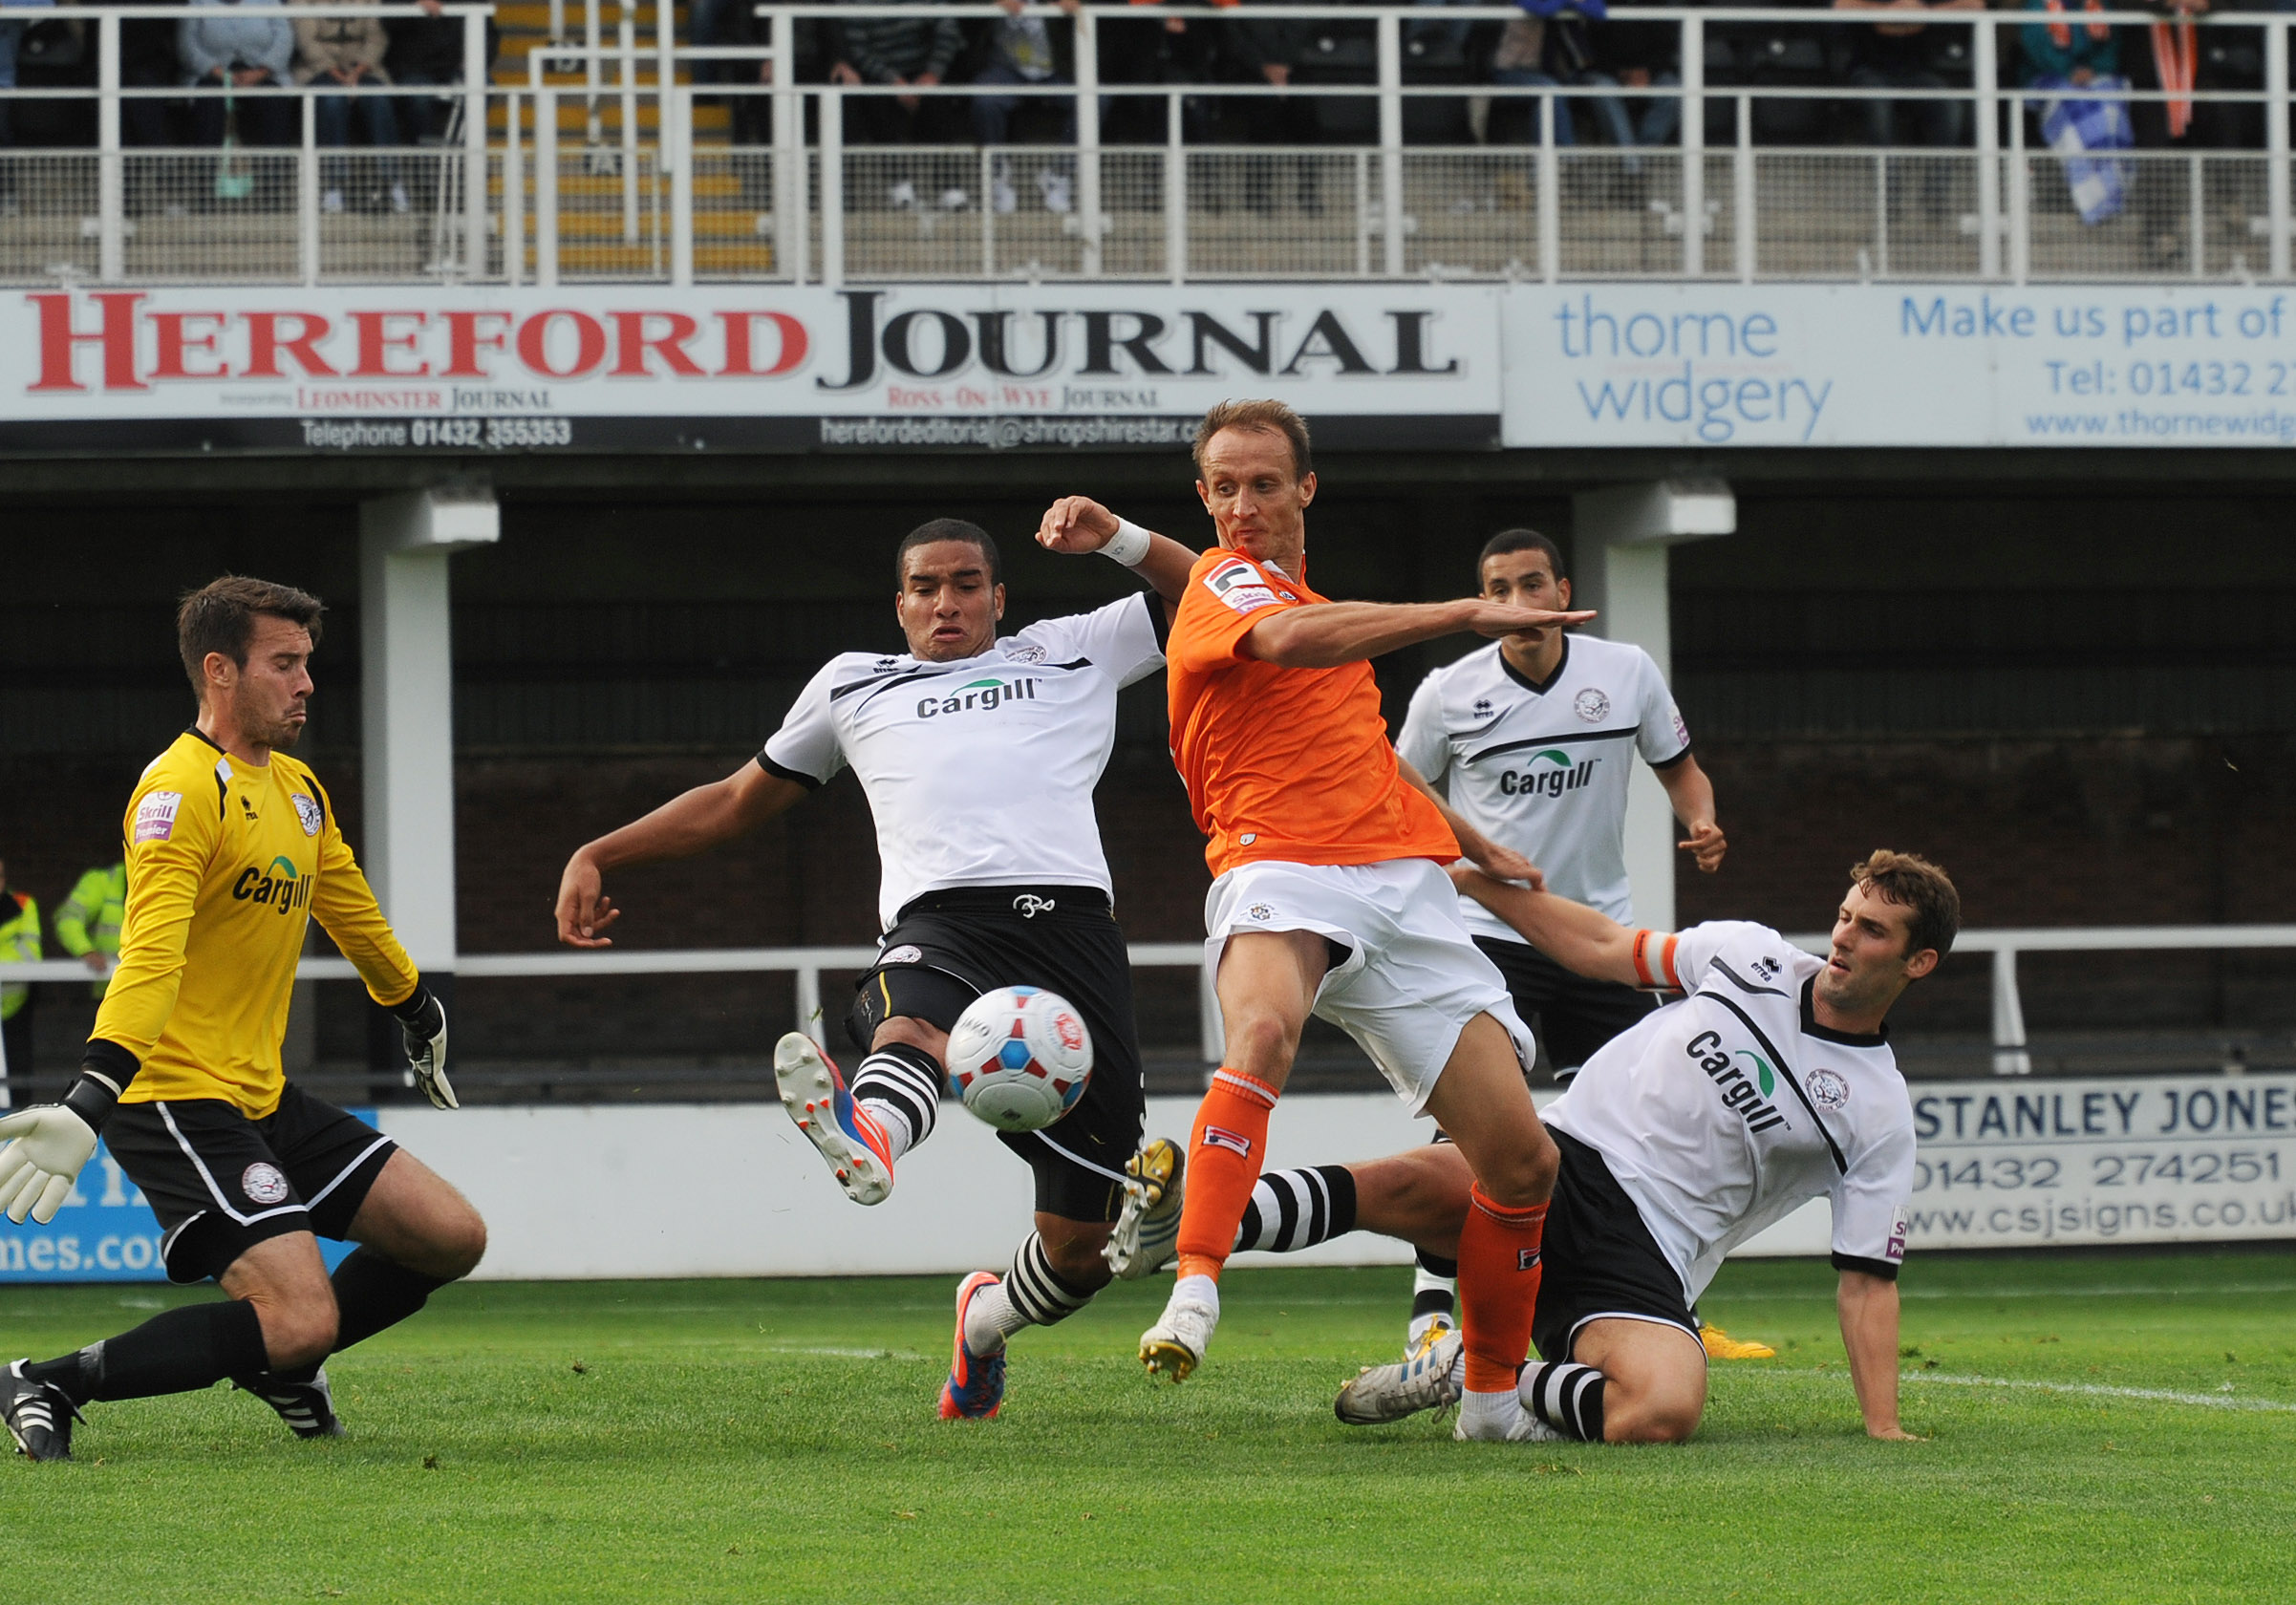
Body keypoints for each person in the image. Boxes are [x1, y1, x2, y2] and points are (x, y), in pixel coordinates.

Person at [555, 518, 1195, 1422]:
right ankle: (871, 1136)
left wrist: (1117, 538)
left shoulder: (1073, 649)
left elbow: (1203, 590)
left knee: (1085, 1250)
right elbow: (738, 800)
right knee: (911, 1023)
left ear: (999, 599)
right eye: (925, 587)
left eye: (967, 584)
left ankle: (982, 1323)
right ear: (898, 603)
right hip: (941, 922)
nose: (946, 603)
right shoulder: (852, 682)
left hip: (1072, 939)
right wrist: (600, 852)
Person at [1047, 398, 1596, 1444]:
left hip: (1404, 889)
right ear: (1204, 499)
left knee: (1522, 1163)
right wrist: (1464, 615)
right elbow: (1288, 634)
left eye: (1263, 483)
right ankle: (1195, 1288)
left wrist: (1474, 846)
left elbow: (1366, 761)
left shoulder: (1276, 595)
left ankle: (1487, 1404)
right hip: (1282, 866)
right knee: (1261, 1031)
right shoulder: (1229, 585)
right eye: (1222, 487)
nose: (1242, 506)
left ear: (1307, 488)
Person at [0, 576, 483, 1464]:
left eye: (307, 664)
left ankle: (281, 1364)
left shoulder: (299, 791)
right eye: (284, 664)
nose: (305, 684)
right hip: (170, 1095)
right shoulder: (178, 793)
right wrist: (93, 1095)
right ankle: (47, 1379)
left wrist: (417, 1008)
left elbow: (351, 911)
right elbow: (151, 956)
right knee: (299, 1317)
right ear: (219, 671)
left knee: (450, 1237)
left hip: (261, 1097)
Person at [1294, 849, 1956, 1444]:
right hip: (1560, 1160)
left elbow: (1867, 1283)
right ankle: (1204, 1220)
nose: (1843, 937)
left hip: (1648, 1253)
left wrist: (1884, 1426)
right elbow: (1601, 943)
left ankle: (1470, 1370)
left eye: (1872, 931)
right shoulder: (1750, 956)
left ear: (1917, 962)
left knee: (1662, 1409)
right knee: (1395, 1184)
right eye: (1846, 916)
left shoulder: (1878, 1111)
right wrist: (1473, 881)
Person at [1390, 525, 1729, 1357]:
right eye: (1497, 590)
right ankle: (1431, 1311)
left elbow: (1678, 764)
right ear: (1481, 605)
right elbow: (1394, 785)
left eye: (1530, 585)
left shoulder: (1625, 675)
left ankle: (1654, 1304)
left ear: (1562, 593)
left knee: (1627, 1136)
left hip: (1597, 940)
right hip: (1487, 935)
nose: (1516, 605)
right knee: (1478, 1121)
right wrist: (1475, 850)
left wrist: (1700, 817)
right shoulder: (1447, 693)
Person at [291, 0, 407, 214]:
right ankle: (333, 186)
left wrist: (356, 73)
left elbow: (377, 37)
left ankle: (393, 182)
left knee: (378, 98)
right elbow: (306, 41)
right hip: (317, 70)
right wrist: (338, 76)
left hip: (363, 69)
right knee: (332, 101)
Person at [178, 0, 297, 150]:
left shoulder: (270, 2)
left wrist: (261, 71)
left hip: (263, 73)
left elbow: (284, 39)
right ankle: (206, 170)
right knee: (209, 99)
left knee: (274, 100)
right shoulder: (198, 3)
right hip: (210, 74)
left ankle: (276, 170)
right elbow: (187, 45)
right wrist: (217, 72)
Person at [54, 859, 125, 999]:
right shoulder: (103, 881)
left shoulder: (169, 879)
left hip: (160, 994)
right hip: (107, 993)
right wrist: (86, 950)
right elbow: (67, 918)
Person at [0, 858, 38, 1102]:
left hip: (15, 1006)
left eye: (1, 875)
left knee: (18, 1081)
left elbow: (31, 955)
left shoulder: (22, 904)